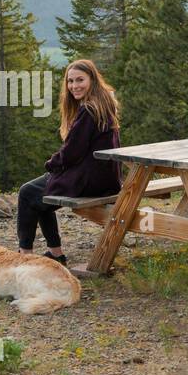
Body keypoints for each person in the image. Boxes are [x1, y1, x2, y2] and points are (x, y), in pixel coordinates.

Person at [17, 58, 121, 264]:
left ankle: (24, 256)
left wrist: (52, 164)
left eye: (80, 80)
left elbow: (72, 151)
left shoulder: (89, 110)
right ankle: (56, 254)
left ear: (92, 79)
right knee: (40, 197)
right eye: (70, 81)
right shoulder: (104, 104)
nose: (74, 86)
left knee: (27, 192)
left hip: (90, 180)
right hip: (105, 177)